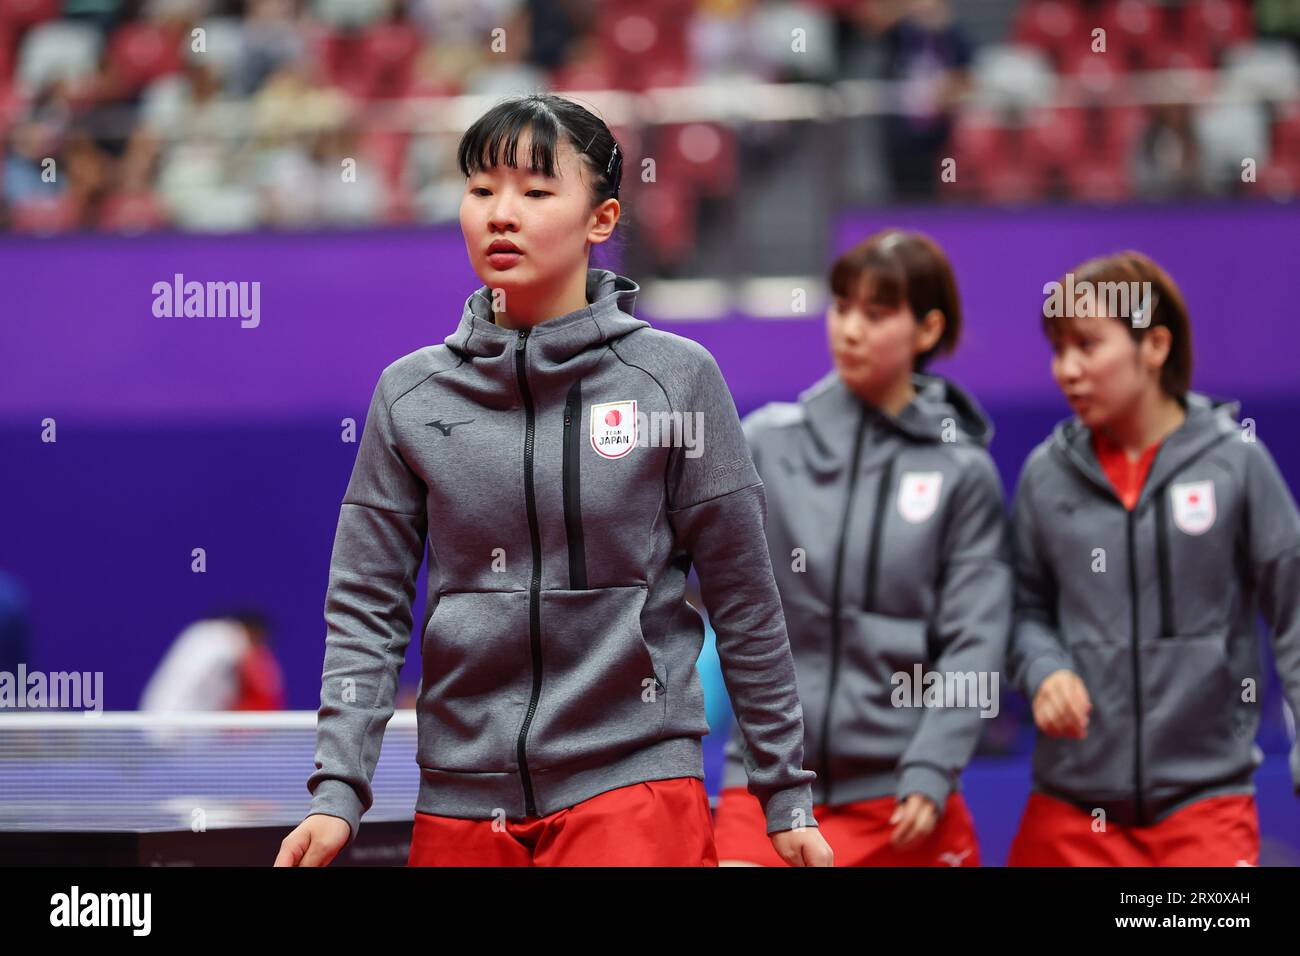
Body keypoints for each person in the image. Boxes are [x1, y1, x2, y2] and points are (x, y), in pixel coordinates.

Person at [275, 93, 831, 867]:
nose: (502, 213)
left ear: (600, 221)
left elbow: (744, 595)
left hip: (633, 786)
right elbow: (368, 604)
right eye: (481, 190)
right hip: (464, 798)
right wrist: (339, 788)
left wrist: (784, 792)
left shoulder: (674, 379)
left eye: (536, 192)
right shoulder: (409, 395)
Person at [712, 229, 1011, 865]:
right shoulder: (765, 442)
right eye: (841, 306)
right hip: (767, 790)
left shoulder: (963, 474)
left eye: (876, 315)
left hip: (904, 796)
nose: (849, 329)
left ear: (927, 331)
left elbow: (975, 640)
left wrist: (933, 765)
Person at [1006, 251, 1300, 866]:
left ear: (1155, 345)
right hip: (1069, 809)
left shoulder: (1236, 463)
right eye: (1058, 350)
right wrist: (1044, 667)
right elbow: (1020, 609)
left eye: (1087, 345)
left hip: (1205, 806)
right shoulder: (1044, 475)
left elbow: (1295, 611)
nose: (1067, 369)